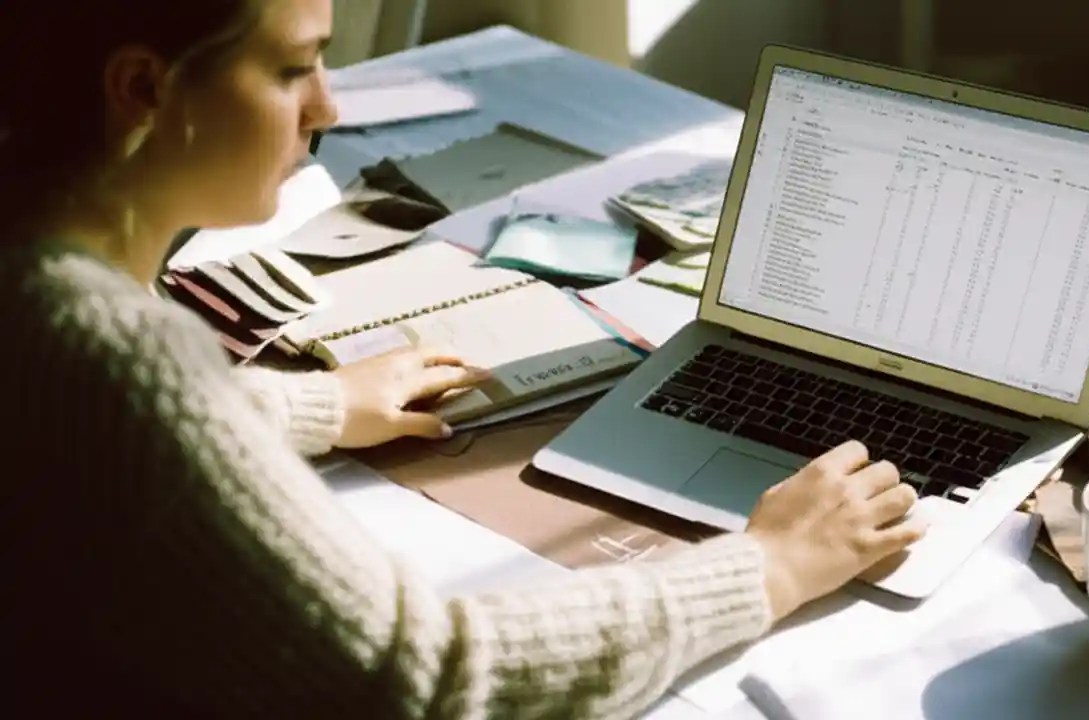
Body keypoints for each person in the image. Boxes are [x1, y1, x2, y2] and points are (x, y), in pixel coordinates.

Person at [0, 1, 924, 716]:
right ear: (143, 89)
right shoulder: (118, 354)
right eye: (294, 67)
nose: (329, 103)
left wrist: (302, 407)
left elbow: (101, 437)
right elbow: (428, 677)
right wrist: (768, 565)